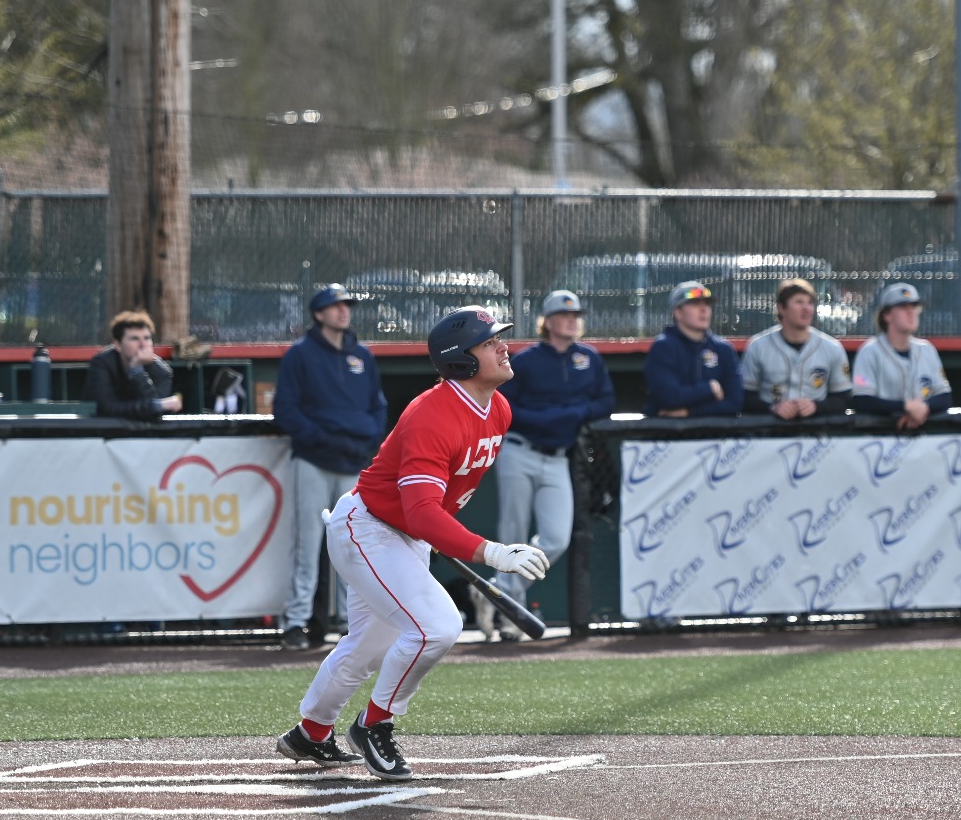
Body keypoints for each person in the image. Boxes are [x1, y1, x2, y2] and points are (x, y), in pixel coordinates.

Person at [275, 307, 548, 780]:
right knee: (437, 627)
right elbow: (421, 510)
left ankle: (311, 733)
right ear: (461, 359)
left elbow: (437, 503)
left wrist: (439, 534)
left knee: (369, 645)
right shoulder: (431, 414)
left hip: (403, 533)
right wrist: (492, 552)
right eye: (489, 342)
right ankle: (374, 725)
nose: (504, 347)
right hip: (368, 528)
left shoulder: (498, 409)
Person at [478, 290, 614, 640]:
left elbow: (605, 401)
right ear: (548, 322)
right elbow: (505, 406)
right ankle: (511, 614)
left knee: (556, 538)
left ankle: (495, 590)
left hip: (558, 457)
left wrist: (573, 413)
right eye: (564, 315)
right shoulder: (527, 360)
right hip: (520, 451)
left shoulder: (588, 358)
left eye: (575, 315)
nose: (571, 320)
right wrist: (551, 418)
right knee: (513, 533)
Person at [272, 284, 388, 652]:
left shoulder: (362, 355)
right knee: (307, 544)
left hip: (352, 463)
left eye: (346, 305)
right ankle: (296, 622)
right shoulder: (300, 354)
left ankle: (350, 622)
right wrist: (321, 438)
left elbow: (378, 407)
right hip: (313, 460)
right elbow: (285, 409)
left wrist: (365, 441)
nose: (343, 311)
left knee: (351, 546)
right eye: (335, 306)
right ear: (319, 313)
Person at [740, 279, 852, 418]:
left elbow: (843, 398)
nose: (806, 308)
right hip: (770, 428)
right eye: (799, 302)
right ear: (781, 308)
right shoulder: (758, 346)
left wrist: (816, 406)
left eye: (810, 303)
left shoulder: (832, 347)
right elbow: (744, 397)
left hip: (817, 428)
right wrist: (772, 408)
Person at [851, 282, 952, 430]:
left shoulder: (927, 349)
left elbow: (945, 397)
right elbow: (862, 400)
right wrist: (906, 407)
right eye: (903, 307)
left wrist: (923, 408)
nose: (911, 312)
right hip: (880, 435)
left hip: (923, 437)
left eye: (914, 306)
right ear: (887, 315)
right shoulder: (869, 351)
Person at [644, 281, 743, 417]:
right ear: (678, 312)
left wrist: (689, 412)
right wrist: (710, 388)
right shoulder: (663, 347)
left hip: (715, 430)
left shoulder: (723, 349)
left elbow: (735, 402)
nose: (704, 309)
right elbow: (669, 397)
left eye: (707, 304)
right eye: (695, 304)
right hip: (667, 429)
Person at [86, 309, 184, 419]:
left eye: (147, 338)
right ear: (118, 345)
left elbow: (155, 411)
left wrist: (137, 372)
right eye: (134, 338)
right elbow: (109, 408)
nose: (143, 345)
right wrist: (156, 406)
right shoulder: (102, 364)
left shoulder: (162, 372)